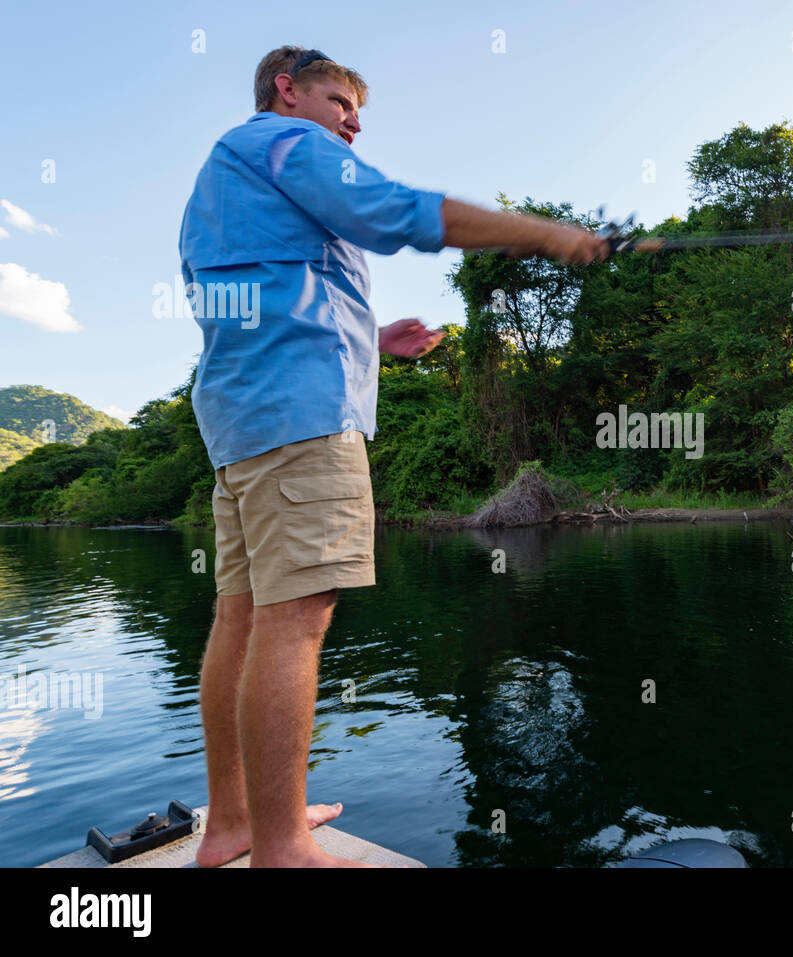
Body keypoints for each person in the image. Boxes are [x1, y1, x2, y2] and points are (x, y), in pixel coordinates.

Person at [180, 45, 608, 867]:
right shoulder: (287, 141)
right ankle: (282, 847)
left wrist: (370, 341)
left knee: (242, 616)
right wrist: (544, 234)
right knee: (296, 619)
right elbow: (392, 211)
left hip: (242, 425)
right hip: (304, 420)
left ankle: (236, 821)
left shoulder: (220, 178)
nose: (353, 121)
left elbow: (258, 300)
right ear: (287, 90)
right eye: (339, 100)